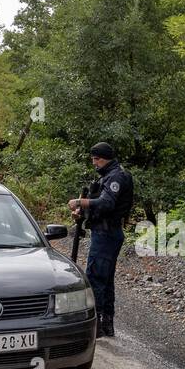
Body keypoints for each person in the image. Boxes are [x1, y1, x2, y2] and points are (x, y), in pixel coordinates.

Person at [68, 142, 134, 337]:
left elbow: (106, 203)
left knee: (96, 277)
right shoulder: (112, 175)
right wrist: (84, 210)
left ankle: (95, 326)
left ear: (102, 158)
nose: (94, 163)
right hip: (107, 232)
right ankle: (107, 324)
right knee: (106, 280)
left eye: (95, 159)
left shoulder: (116, 176)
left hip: (106, 235)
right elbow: (101, 204)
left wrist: (79, 202)